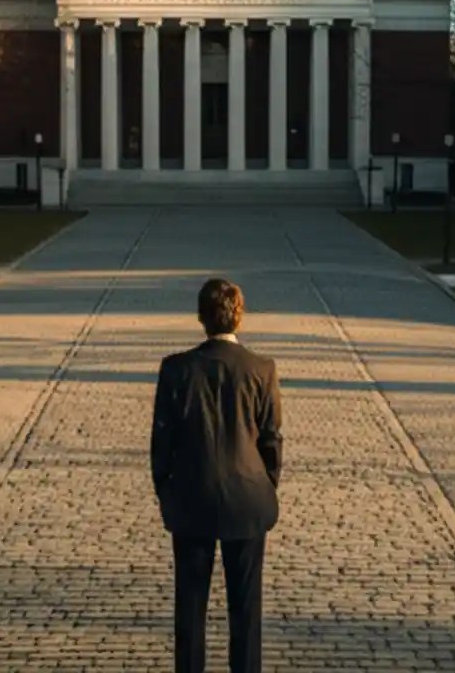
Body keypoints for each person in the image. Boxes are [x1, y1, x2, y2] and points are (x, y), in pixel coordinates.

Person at [150, 278, 283, 673]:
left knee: (189, 612)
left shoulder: (176, 369)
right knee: (246, 613)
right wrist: (265, 485)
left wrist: (167, 491)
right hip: (247, 498)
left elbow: (161, 442)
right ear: (239, 316)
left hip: (192, 497)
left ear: (201, 317)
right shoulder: (261, 369)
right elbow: (272, 441)